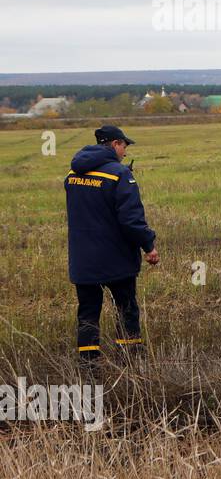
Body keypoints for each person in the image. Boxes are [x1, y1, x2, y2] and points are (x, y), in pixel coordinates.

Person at [64, 125, 159, 365]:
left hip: (82, 258)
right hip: (115, 257)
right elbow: (131, 220)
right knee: (126, 307)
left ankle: (88, 362)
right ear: (115, 144)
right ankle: (131, 360)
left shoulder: (72, 175)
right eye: (124, 146)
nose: (125, 152)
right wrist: (149, 245)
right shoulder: (119, 175)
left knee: (87, 312)